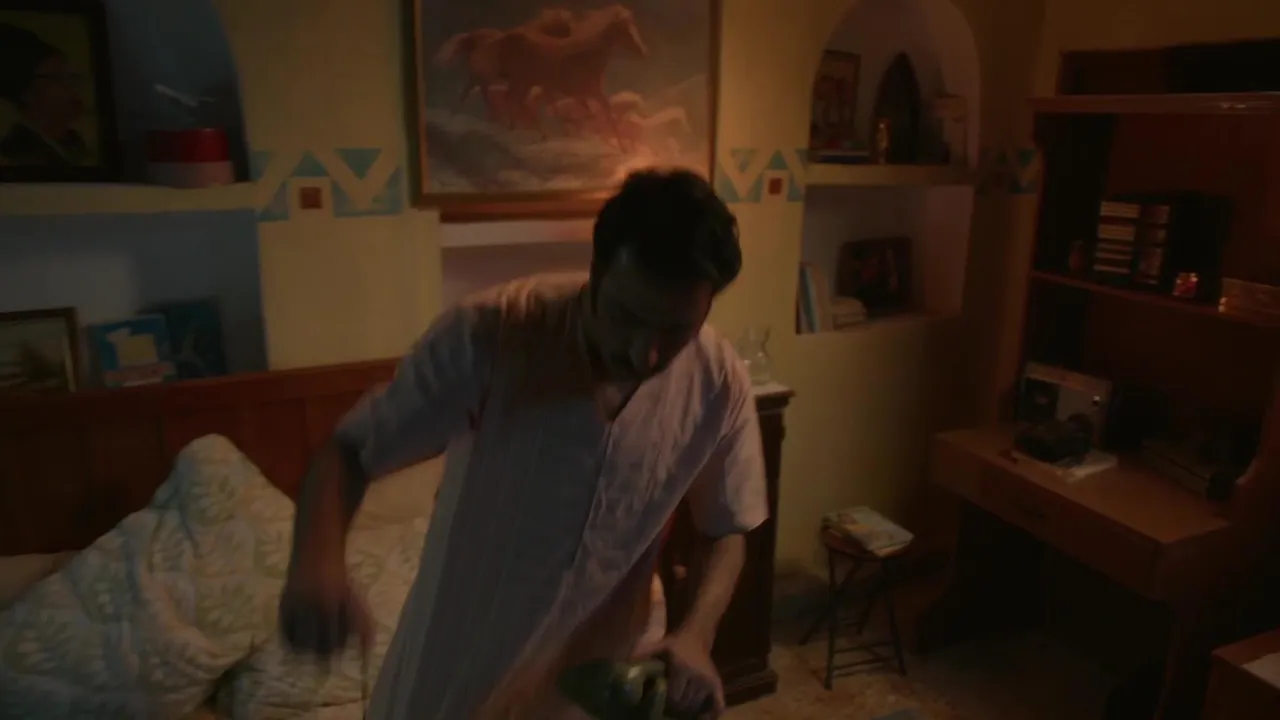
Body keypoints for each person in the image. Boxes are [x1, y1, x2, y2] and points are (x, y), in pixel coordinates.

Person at [279, 168, 766, 719]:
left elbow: (727, 527)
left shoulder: (718, 382)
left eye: (675, 330)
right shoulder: (492, 337)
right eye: (628, 317)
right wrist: (316, 561)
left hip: (593, 685)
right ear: (597, 271)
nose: (645, 353)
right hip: (452, 675)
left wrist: (696, 635)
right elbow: (347, 452)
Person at [0, 22, 90, 167]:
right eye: (57, 78)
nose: (72, 87)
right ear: (26, 93)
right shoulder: (20, 153)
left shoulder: (74, 143)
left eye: (71, 77)